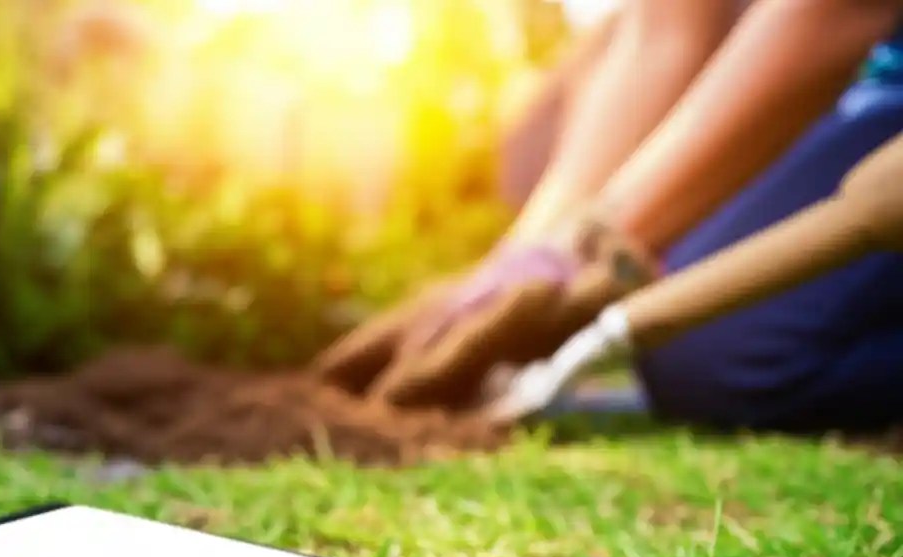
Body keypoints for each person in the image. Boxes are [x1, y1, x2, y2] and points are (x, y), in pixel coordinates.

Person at [316, 0, 903, 435]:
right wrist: (531, 259)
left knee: (717, 359)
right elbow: (664, 32)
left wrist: (590, 242)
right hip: (876, 88)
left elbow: (841, 11)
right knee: (687, 326)